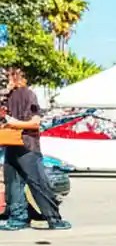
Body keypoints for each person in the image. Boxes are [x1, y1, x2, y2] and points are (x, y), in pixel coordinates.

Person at [2, 66, 69, 230]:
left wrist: (14, 123)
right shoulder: (7, 97)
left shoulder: (27, 94)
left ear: (16, 77)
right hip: (13, 144)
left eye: (8, 76)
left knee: (37, 182)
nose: (6, 80)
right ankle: (18, 218)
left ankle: (53, 219)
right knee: (13, 183)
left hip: (26, 145)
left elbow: (35, 121)